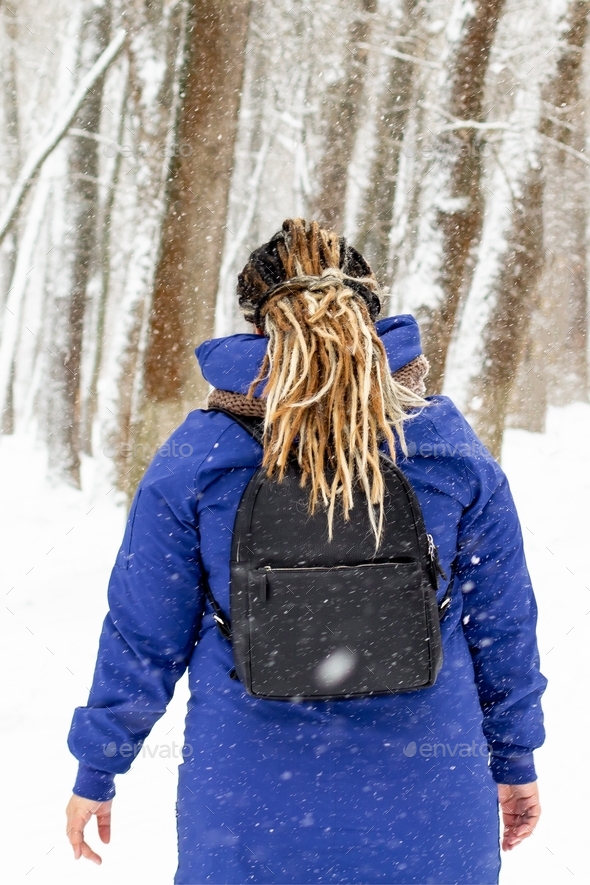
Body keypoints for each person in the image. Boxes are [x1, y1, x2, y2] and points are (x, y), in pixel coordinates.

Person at [66, 218, 546, 884]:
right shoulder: (445, 446)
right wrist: (515, 760)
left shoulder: (198, 457)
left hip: (250, 809)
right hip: (427, 804)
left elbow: (143, 634)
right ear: (371, 313)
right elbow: (504, 628)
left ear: (256, 325)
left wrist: (100, 764)